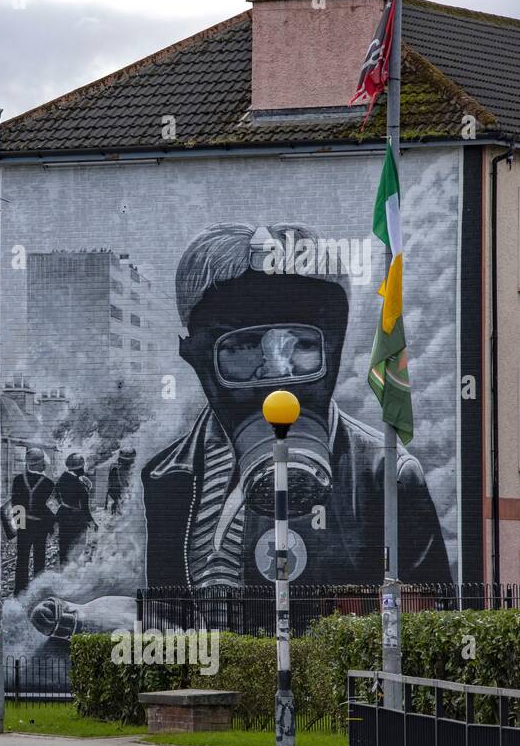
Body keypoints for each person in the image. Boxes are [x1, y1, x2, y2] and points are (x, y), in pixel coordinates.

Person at [138, 222, 451, 594]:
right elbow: (170, 616)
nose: (278, 376)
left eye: (302, 344)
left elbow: (425, 620)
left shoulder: (385, 476)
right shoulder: (166, 476)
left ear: (335, 348)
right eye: (242, 347)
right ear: (195, 358)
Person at [10, 447, 55, 595]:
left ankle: (19, 591)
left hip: (23, 526)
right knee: (39, 559)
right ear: (39, 463)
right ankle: (37, 591)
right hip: (40, 526)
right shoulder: (48, 483)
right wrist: (51, 527)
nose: (45, 464)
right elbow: (48, 509)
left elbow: (15, 505)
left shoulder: (17, 480)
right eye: (43, 461)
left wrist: (18, 527)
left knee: (21, 560)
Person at [56, 452, 95, 564]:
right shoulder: (80, 484)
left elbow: (57, 497)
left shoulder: (62, 479)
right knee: (77, 547)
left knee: (64, 545)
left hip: (63, 516)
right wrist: (92, 522)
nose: (84, 470)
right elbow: (85, 508)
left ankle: (63, 569)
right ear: (78, 468)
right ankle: (73, 571)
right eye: (82, 467)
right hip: (76, 519)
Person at [105, 448, 135, 514]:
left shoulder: (133, 468)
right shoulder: (116, 469)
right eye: (127, 462)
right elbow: (113, 487)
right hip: (118, 497)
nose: (129, 464)